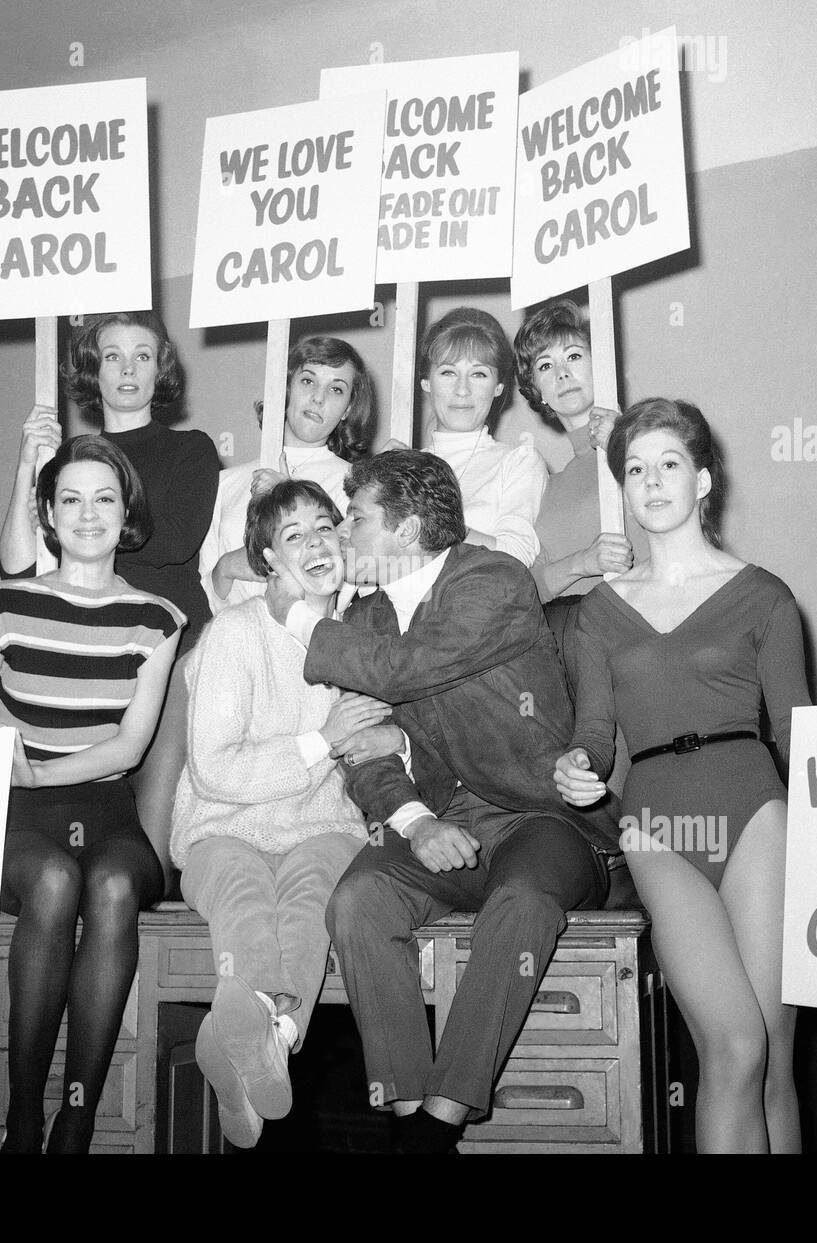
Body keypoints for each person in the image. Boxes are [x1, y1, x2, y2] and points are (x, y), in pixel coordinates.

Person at [262, 450, 627, 1154]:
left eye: (357, 520)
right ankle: (406, 1116)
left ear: (409, 529)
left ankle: (436, 1126)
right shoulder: (366, 615)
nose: (339, 536)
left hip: (542, 818)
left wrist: (303, 621)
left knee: (522, 900)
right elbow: (363, 749)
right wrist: (417, 819)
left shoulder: (491, 579)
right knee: (357, 900)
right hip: (448, 825)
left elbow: (404, 669)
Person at [556, 397, 806, 1153]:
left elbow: (798, 730)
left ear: (702, 480)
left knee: (772, 1066)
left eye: (669, 463)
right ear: (623, 490)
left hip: (758, 811)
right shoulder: (598, 611)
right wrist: (578, 766)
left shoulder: (765, 593)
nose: (652, 480)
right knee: (733, 1045)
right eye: (635, 468)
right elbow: (595, 735)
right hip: (657, 821)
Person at [0, 435, 183, 1154]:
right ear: (47, 515)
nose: (89, 514)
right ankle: (24, 1118)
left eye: (105, 498)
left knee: (112, 883)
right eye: (71, 499)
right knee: (53, 880)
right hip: (21, 823)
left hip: (109, 815)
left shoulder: (157, 618)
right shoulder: (2, 605)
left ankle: (76, 1121)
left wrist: (41, 771)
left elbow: (130, 744)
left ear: (127, 514)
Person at [172, 480, 381, 1147]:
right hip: (223, 826)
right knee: (243, 893)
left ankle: (253, 1035)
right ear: (264, 556)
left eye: (326, 526)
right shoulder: (231, 635)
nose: (318, 542)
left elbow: (379, 757)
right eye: (295, 534)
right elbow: (214, 767)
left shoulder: (359, 638)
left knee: (315, 894)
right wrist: (324, 740)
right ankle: (266, 1028)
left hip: (323, 827)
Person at [0, 310, 220, 893]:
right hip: (77, 640)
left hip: (168, 649)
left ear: (160, 369)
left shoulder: (191, 450)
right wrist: (30, 467)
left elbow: (172, 542)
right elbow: (18, 566)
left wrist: (88, 520)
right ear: (92, 370)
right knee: (68, 840)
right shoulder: (65, 454)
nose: (127, 369)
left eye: (143, 355)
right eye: (113, 355)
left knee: (146, 837)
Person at [199, 335, 376, 614]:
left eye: (336, 389)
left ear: (348, 410)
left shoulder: (359, 486)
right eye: (308, 381)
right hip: (234, 642)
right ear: (285, 388)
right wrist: (227, 567)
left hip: (313, 643)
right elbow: (206, 591)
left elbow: (367, 581)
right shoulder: (226, 483)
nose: (318, 398)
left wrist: (292, 497)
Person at [513, 298, 634, 601]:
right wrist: (583, 562)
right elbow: (527, 591)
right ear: (537, 391)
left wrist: (626, 444)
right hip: (577, 637)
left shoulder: (646, 448)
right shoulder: (547, 488)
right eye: (545, 365)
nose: (562, 373)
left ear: (600, 365)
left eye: (574, 356)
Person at [415, 306, 548, 567]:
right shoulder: (403, 468)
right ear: (426, 382)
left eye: (478, 374)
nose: (462, 390)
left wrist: (439, 527)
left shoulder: (518, 461)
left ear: (498, 387)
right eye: (448, 372)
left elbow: (516, 556)